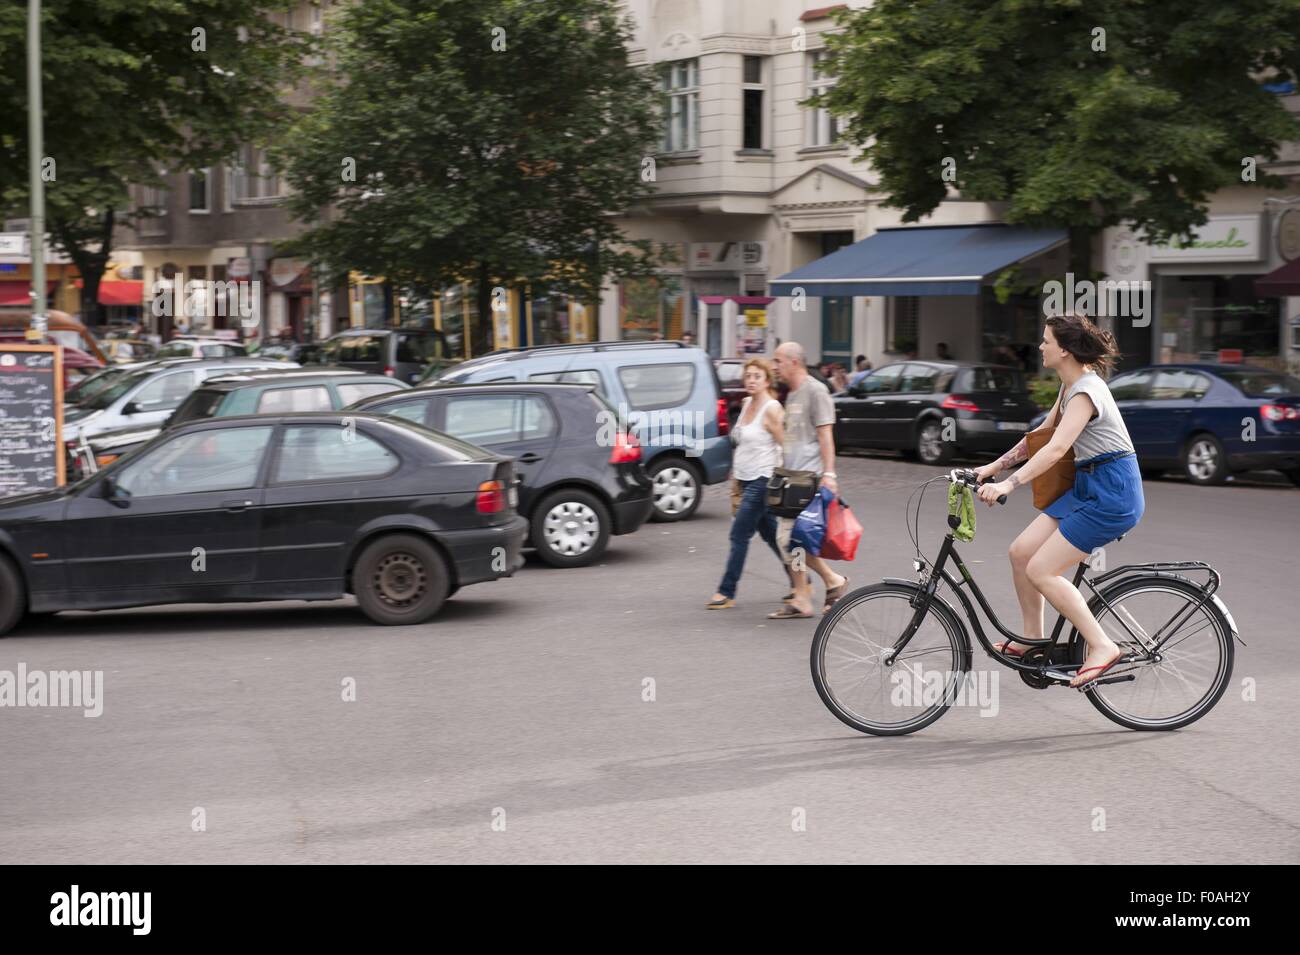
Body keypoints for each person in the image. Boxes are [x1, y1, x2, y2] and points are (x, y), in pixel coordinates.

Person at [974, 313, 1144, 688]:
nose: (1040, 347)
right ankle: (1032, 640)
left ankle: (1102, 646)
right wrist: (991, 468)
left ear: (1064, 350)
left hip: (1112, 494)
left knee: (1042, 570)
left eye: (1046, 341)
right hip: (1087, 486)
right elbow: (1041, 436)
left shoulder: (1086, 392)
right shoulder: (1070, 386)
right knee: (1021, 553)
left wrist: (1009, 485)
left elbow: (1056, 450)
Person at [768, 342, 850, 619]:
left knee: (789, 538)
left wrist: (829, 474)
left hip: (810, 479)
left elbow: (826, 435)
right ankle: (805, 595)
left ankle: (831, 580)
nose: (774, 366)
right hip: (792, 479)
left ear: (793, 362)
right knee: (790, 539)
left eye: (778, 361)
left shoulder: (816, 390)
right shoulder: (792, 394)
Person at [707, 358, 789, 609]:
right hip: (744, 480)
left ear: (766, 380)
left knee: (739, 534)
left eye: (757, 376)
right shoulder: (745, 404)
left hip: (763, 480)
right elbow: (740, 442)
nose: (751, 380)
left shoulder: (772, 408)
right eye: (748, 376)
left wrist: (783, 476)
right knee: (774, 536)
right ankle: (803, 580)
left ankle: (726, 591)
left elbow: (786, 444)